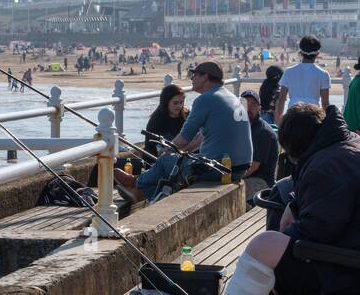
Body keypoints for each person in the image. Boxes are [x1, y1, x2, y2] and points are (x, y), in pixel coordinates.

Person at [139, 103, 360, 295]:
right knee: (255, 282)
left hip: (359, 274)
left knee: (261, 255)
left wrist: (282, 252)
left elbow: (317, 231)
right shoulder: (348, 147)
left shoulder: (328, 165)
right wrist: (296, 205)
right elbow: (333, 207)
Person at [115, 62, 252, 201]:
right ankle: (141, 192)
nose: (191, 78)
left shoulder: (206, 99)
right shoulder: (232, 98)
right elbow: (199, 137)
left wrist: (167, 150)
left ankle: (135, 184)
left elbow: (184, 138)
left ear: (205, 77)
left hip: (218, 170)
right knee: (174, 164)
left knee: (164, 162)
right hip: (239, 168)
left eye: (194, 74)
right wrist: (181, 152)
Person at [273, 35, 331, 124]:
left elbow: (281, 99)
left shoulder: (289, 72)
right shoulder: (323, 74)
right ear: (317, 53)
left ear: (300, 52)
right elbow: (325, 103)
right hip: (314, 116)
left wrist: (278, 120)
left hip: (293, 114)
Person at [240, 89, 279, 197]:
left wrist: (231, 180)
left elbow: (253, 166)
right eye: (245, 103)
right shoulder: (242, 127)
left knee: (227, 192)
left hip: (261, 181)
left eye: (253, 104)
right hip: (247, 176)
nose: (249, 107)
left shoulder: (262, 132)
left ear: (260, 108)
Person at [142, 84, 190, 159]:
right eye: (175, 103)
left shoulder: (187, 115)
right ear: (166, 102)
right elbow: (150, 147)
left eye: (181, 102)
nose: (179, 106)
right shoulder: (156, 120)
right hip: (160, 159)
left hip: (185, 156)